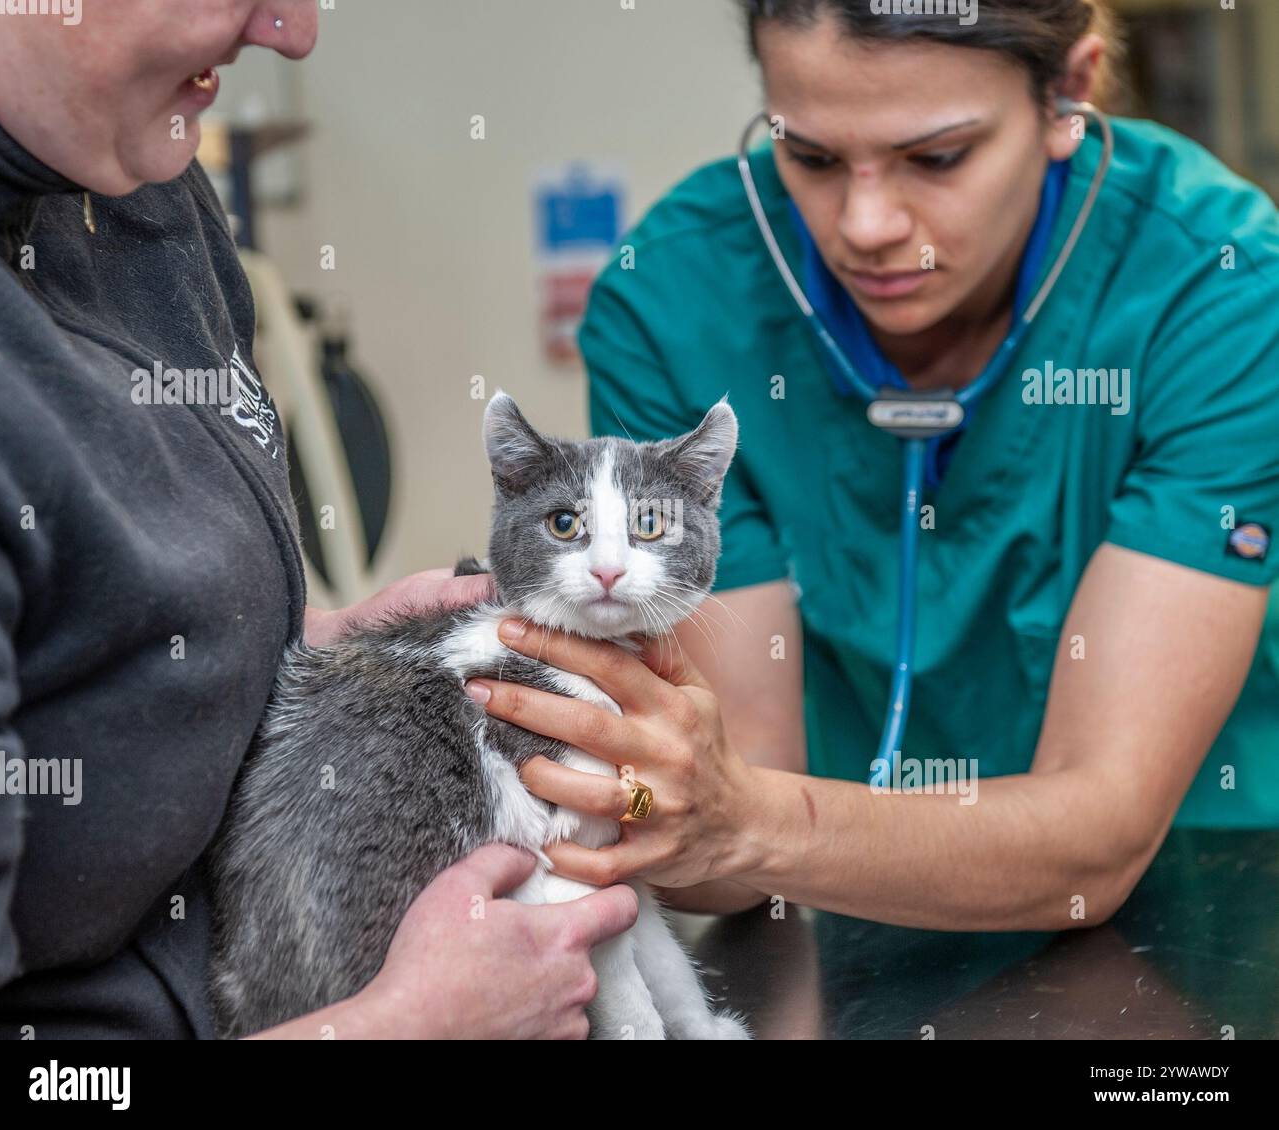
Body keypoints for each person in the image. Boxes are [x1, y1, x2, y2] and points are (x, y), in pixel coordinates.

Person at [463, 0, 1279, 929]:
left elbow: (1096, 841)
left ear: (1069, 93)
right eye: (807, 156)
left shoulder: (1217, 288)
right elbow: (722, 832)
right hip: (852, 906)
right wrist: (646, 802)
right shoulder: (676, 299)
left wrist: (739, 820)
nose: (866, 224)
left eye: (936, 158)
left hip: (1212, 901)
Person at [0, 1, 636, 1040]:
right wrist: (400, 1025)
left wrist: (334, 642)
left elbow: (90, 640)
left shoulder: (137, 186)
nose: (292, 32)